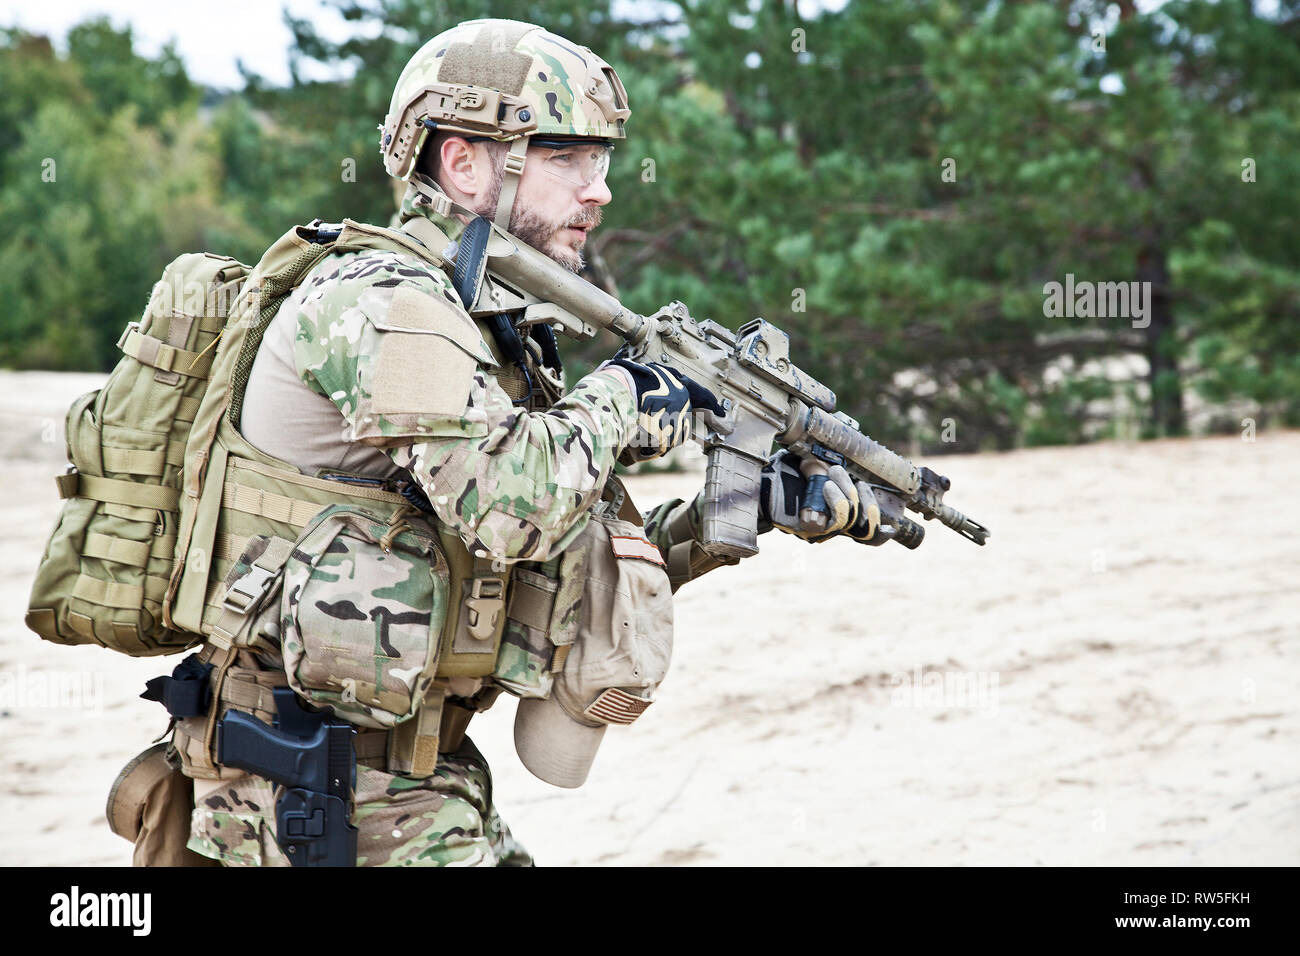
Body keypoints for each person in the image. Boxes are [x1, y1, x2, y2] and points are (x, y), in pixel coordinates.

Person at [177, 18, 878, 867]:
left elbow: (552, 566)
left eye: (603, 162)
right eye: (566, 159)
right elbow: (511, 511)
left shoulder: (482, 324)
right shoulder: (380, 301)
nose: (600, 191)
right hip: (310, 788)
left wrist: (733, 516)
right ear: (465, 161)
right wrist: (625, 393)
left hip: (413, 781)